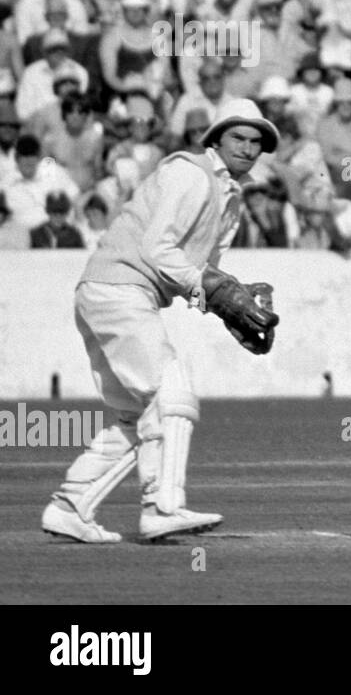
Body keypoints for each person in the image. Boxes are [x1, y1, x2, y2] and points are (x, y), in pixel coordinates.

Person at [41, 99, 281, 543]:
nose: (248, 149)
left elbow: (201, 272)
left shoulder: (231, 198)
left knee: (136, 417)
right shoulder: (191, 173)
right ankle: (162, 507)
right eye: (238, 138)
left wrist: (230, 306)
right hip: (121, 288)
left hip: (110, 292)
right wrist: (217, 293)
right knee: (173, 395)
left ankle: (70, 506)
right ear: (215, 139)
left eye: (256, 143)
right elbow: (157, 249)